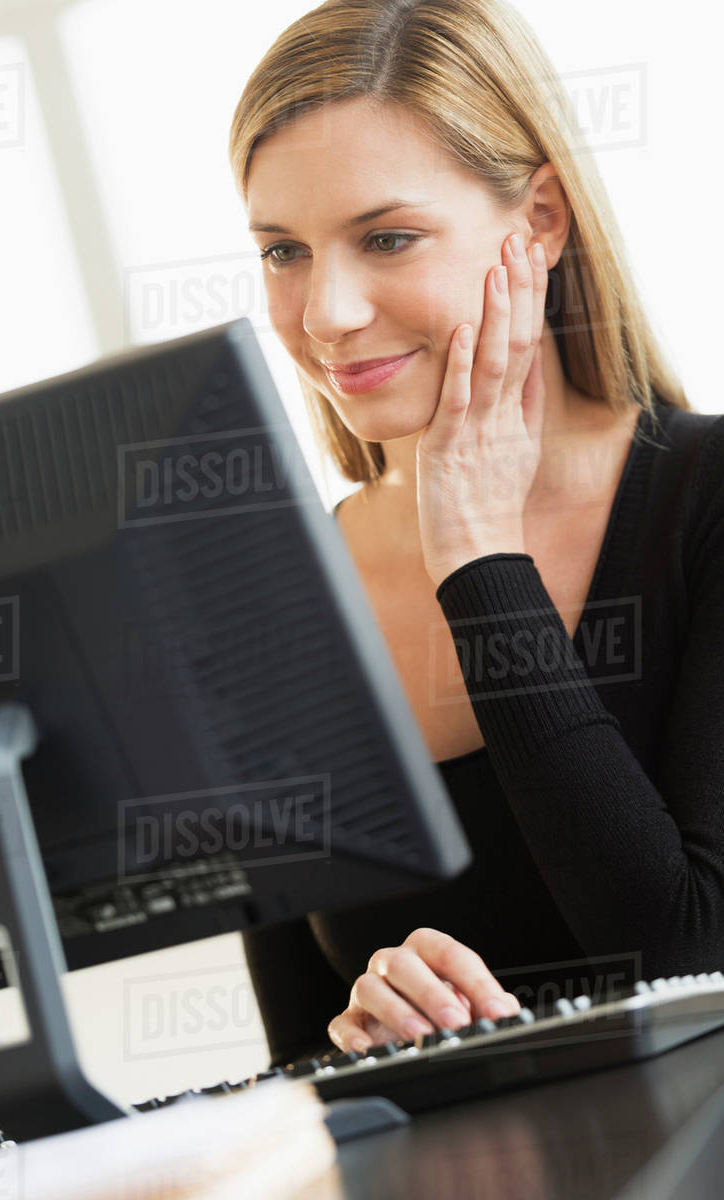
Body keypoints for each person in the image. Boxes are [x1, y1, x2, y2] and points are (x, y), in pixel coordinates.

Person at [228, 0, 724, 1067]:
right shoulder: (279, 607)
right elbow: (298, 1071)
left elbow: (686, 963)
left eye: (386, 237)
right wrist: (367, 1047)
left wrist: (477, 555)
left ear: (538, 218)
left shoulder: (709, 502)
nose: (325, 313)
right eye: (283, 251)